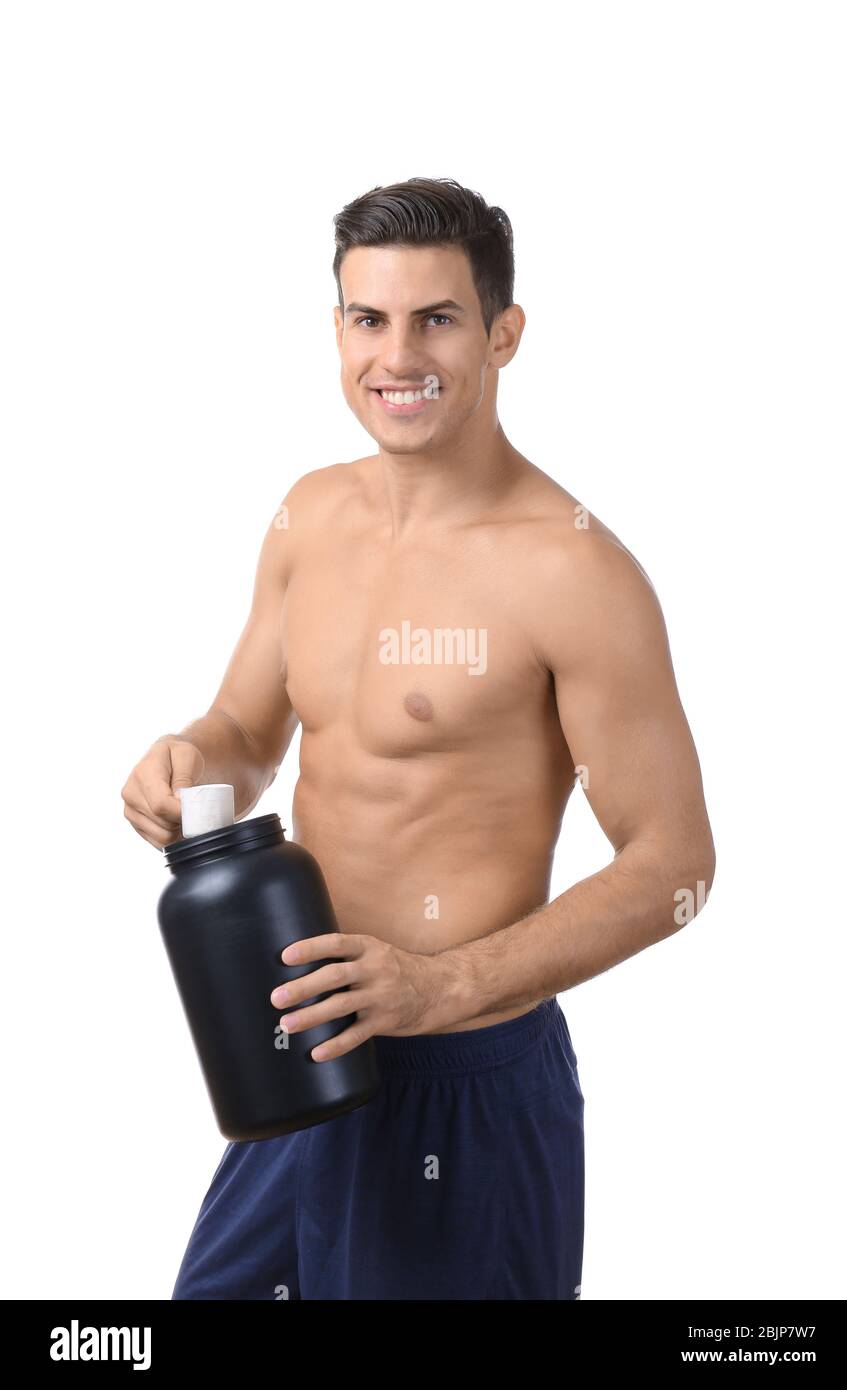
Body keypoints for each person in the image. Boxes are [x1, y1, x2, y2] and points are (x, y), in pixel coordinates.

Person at [122, 176, 716, 1300]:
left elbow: (673, 865)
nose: (396, 355)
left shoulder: (572, 568)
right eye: (368, 319)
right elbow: (248, 724)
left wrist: (443, 987)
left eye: (435, 318)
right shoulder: (310, 516)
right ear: (337, 330)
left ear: (502, 333)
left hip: (463, 1082)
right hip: (291, 1058)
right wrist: (191, 762)